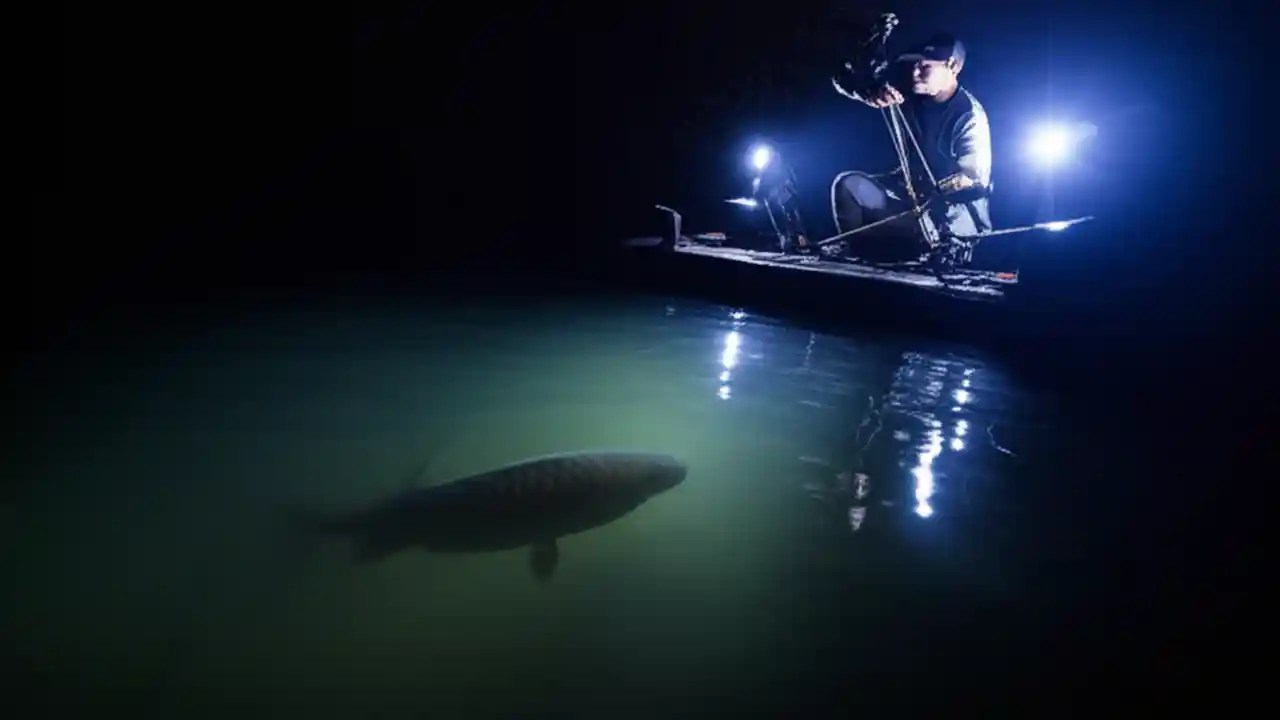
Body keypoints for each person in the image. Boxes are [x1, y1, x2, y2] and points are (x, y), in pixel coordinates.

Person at [831, 33, 993, 261]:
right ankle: (858, 254)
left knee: (927, 221)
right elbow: (842, 79)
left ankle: (913, 253)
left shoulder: (969, 117)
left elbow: (972, 180)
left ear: (953, 66)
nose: (915, 73)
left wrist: (933, 193)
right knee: (848, 185)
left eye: (925, 67)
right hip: (909, 206)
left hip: (951, 219)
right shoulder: (910, 96)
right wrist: (867, 92)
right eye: (915, 65)